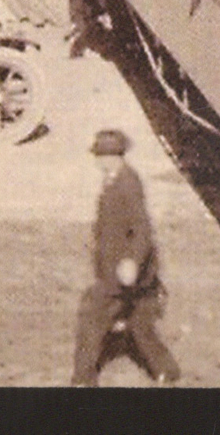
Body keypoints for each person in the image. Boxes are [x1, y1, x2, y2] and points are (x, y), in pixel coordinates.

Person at [72, 129, 181, 387]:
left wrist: (132, 261)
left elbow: (142, 227)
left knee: (91, 319)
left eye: (100, 156)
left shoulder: (127, 183)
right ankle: (167, 370)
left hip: (121, 271)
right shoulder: (114, 178)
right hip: (126, 270)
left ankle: (82, 380)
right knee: (140, 324)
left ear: (112, 157)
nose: (97, 161)